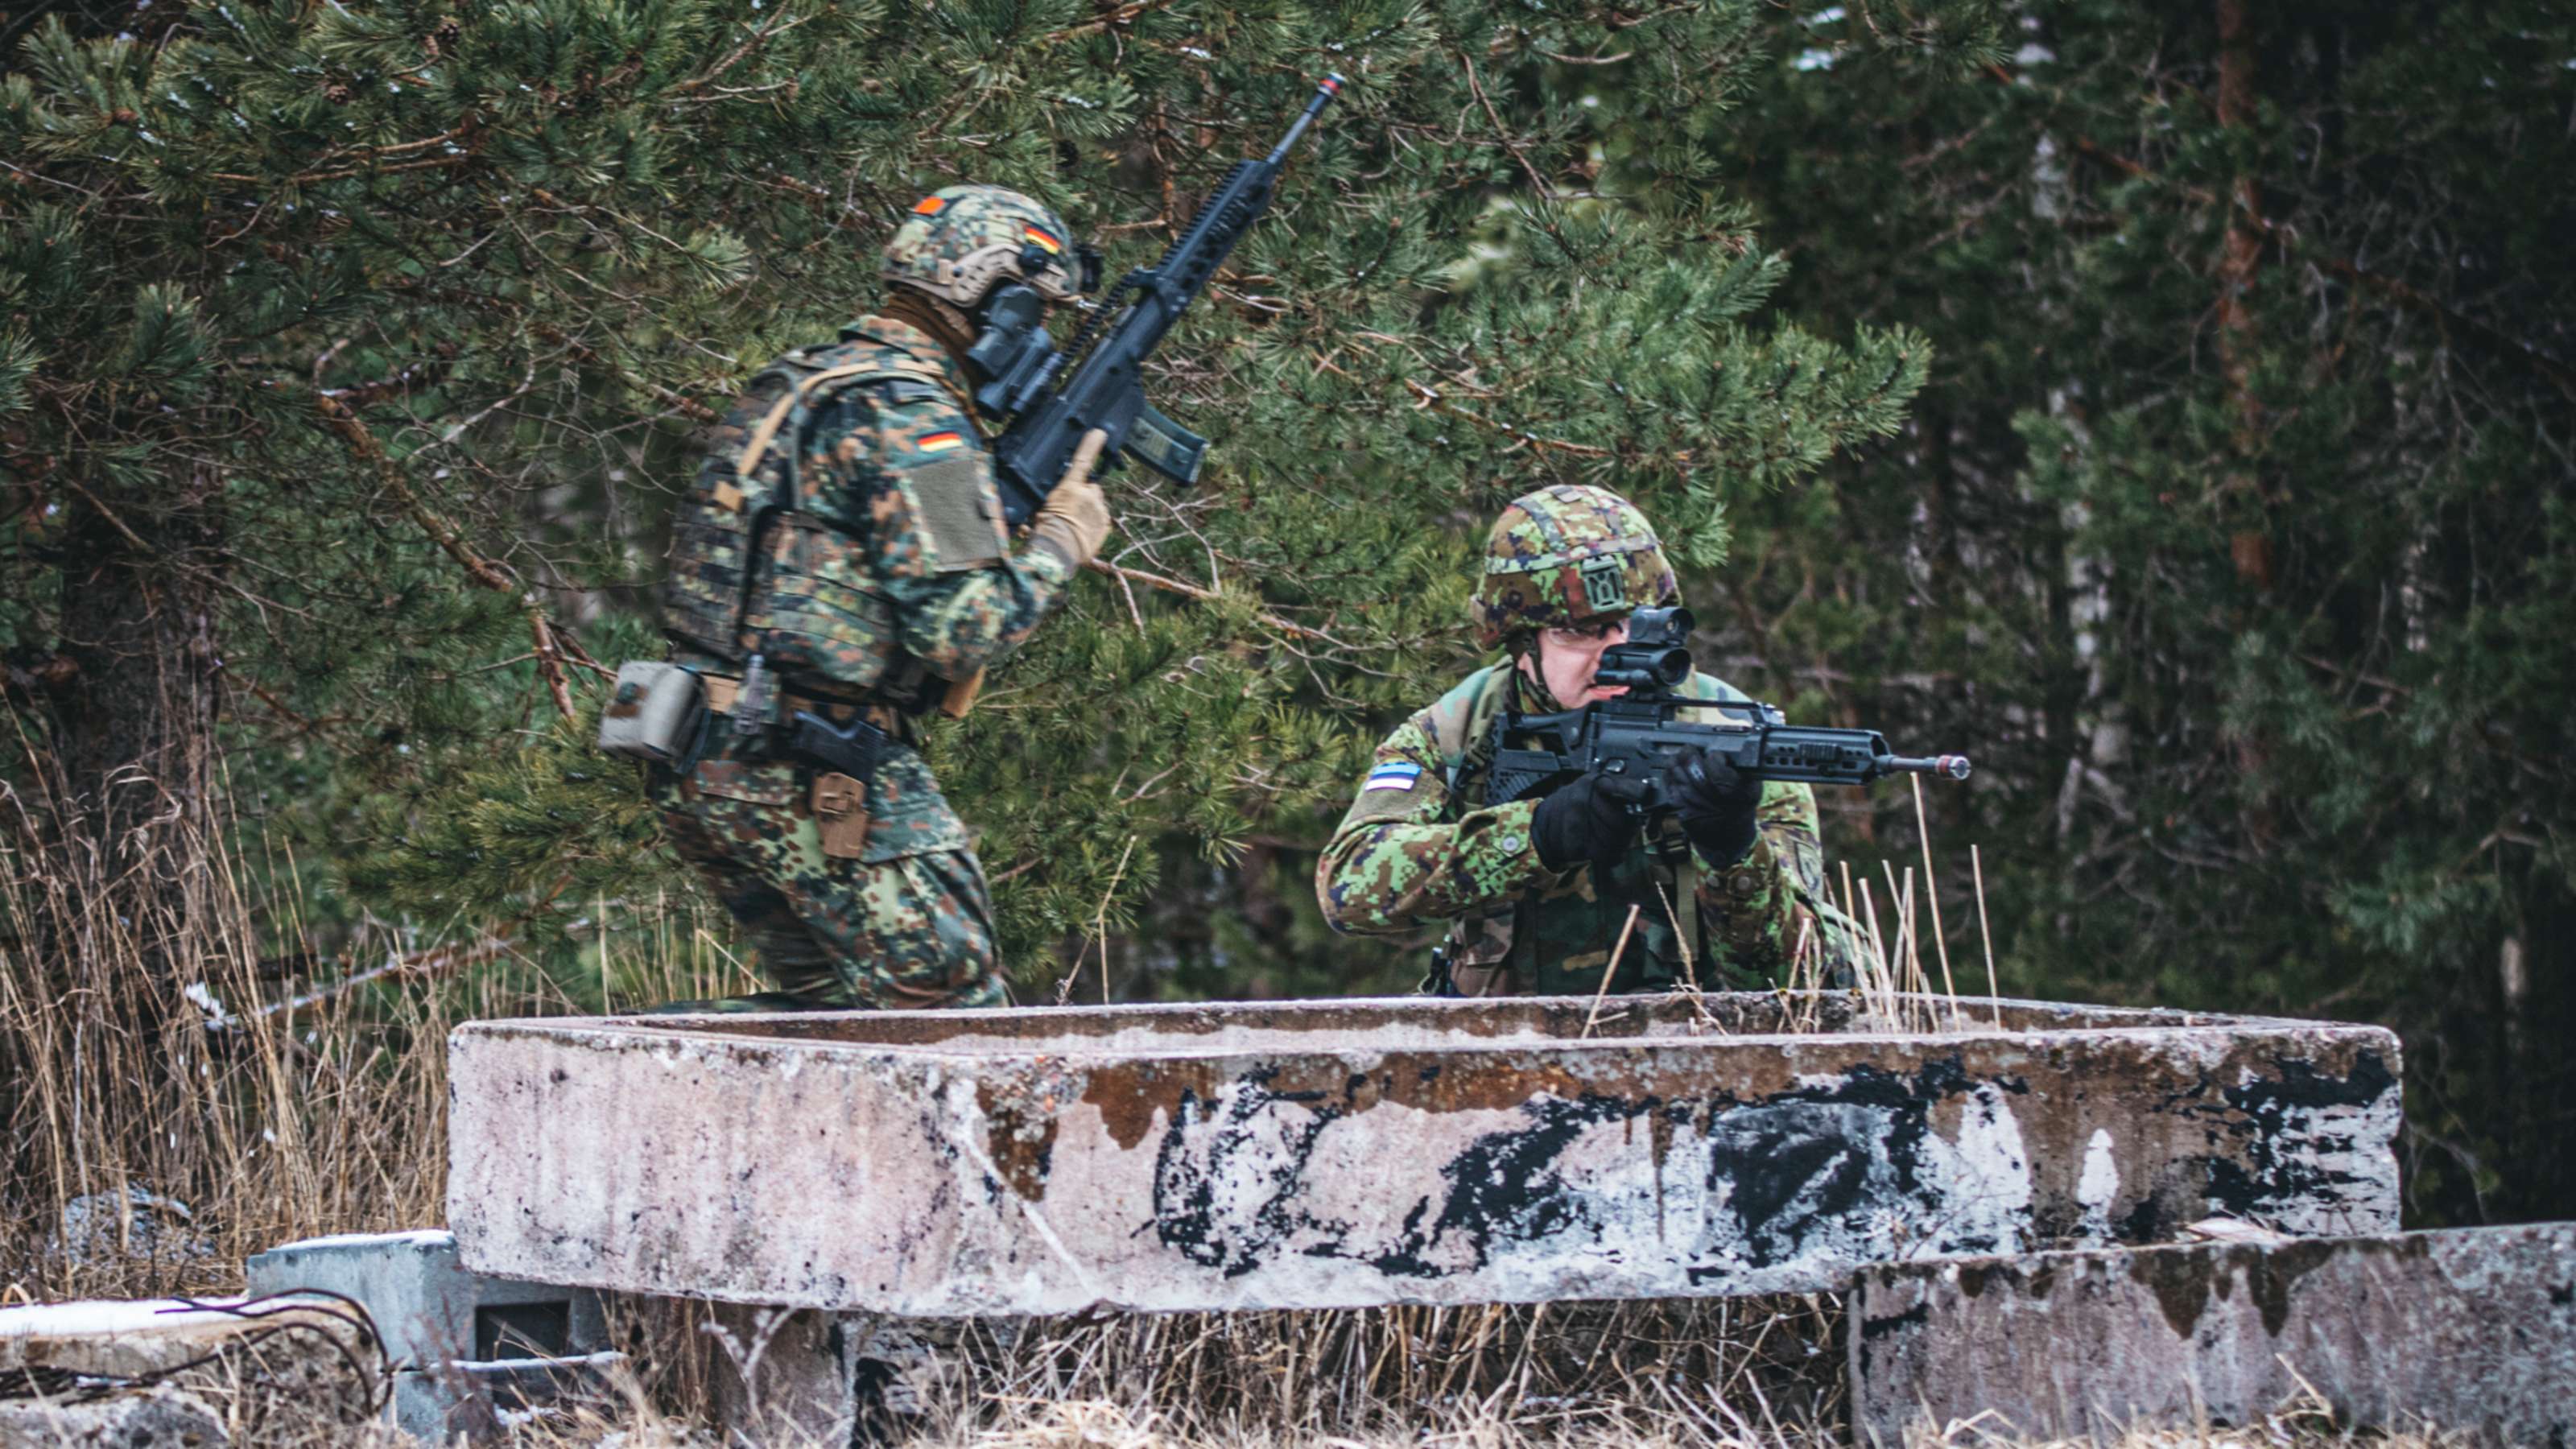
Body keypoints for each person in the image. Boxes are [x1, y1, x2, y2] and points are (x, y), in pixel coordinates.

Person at [646, 186, 1115, 1011]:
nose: (1038, 336)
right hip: (806, 758)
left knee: (832, 1012)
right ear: (994, 299)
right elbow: (961, 628)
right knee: (951, 1007)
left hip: (702, 747)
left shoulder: (809, 379)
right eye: (1035, 313)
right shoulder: (915, 417)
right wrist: (1058, 542)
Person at [1315, 484, 1858, 996]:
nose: (1617, 655)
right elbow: (1347, 888)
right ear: (1520, 643)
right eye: (1581, 632)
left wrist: (1735, 853)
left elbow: (1797, 982)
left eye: (1637, 626)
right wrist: (1537, 836)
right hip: (1504, 1050)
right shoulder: (1462, 729)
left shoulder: (1732, 738)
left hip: (1698, 1044)